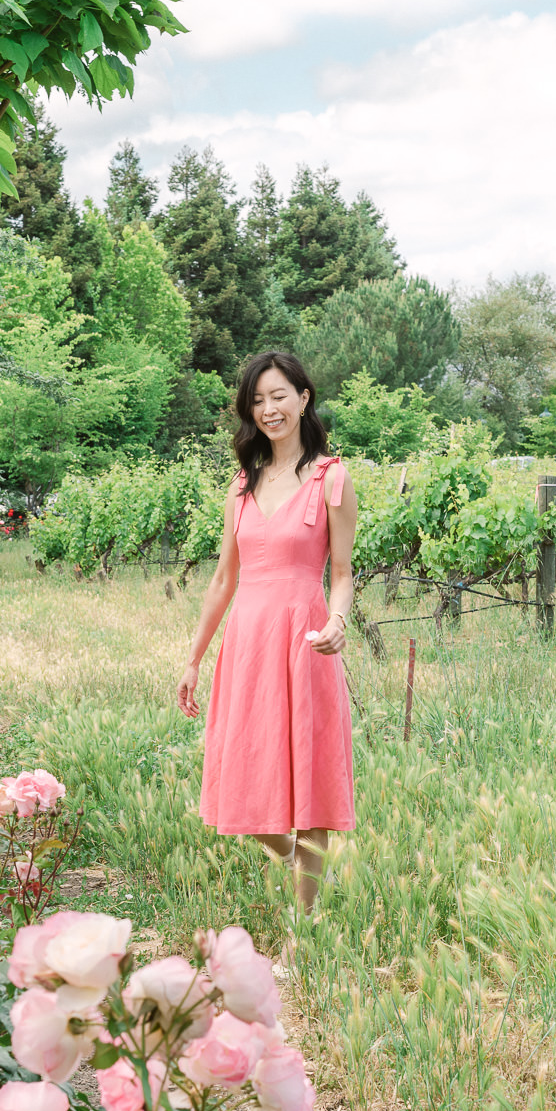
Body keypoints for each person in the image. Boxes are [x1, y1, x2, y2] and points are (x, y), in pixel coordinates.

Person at [176, 351, 357, 911]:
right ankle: (308, 869)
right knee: (244, 791)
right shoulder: (240, 485)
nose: (269, 409)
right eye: (257, 400)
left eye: (279, 395)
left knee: (310, 787)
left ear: (304, 399)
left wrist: (338, 621)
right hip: (249, 646)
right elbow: (223, 579)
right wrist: (193, 658)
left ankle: (308, 930)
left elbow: (345, 573)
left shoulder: (332, 478)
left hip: (304, 642)